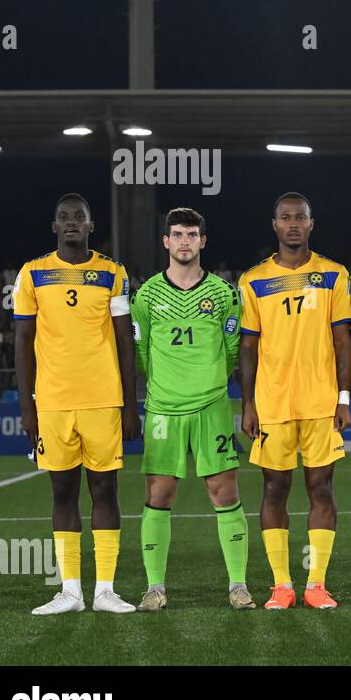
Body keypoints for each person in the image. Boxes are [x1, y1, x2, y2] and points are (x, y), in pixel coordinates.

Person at [14, 193, 140, 614]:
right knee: (62, 490)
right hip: (52, 402)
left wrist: (129, 403)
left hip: (103, 400)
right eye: (64, 217)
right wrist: (26, 406)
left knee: (105, 489)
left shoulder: (112, 272)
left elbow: (125, 340)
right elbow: (22, 342)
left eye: (79, 217)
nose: (71, 222)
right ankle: (70, 591)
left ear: (91, 225)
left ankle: (104, 589)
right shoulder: (32, 274)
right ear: (55, 227)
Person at [132, 208, 255, 611]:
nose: (184, 241)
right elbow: (142, 352)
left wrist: (208, 380)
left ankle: (238, 585)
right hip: (165, 409)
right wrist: (167, 386)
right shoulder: (147, 295)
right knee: (159, 492)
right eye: (177, 234)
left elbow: (233, 348)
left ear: (203, 242)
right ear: (166, 242)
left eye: (192, 235)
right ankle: (155, 588)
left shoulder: (223, 293)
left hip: (212, 406)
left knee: (224, 491)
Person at [238, 192, 351, 610]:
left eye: (299, 218)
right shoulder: (253, 280)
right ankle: (282, 586)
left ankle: (316, 584)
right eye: (285, 218)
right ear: (275, 226)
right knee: (275, 487)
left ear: (310, 223)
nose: (292, 224)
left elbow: (343, 342)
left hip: (321, 401)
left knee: (321, 487)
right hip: (273, 402)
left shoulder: (334, 275)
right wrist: (248, 404)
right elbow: (248, 347)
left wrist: (343, 398)